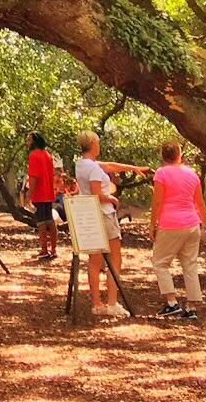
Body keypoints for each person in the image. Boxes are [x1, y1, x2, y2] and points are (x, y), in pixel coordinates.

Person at [74, 131, 138, 318]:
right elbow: (96, 193)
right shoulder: (93, 169)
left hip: (90, 217)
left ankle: (96, 303)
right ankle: (111, 301)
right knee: (114, 258)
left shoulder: (81, 164)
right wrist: (111, 198)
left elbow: (109, 166)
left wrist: (132, 168)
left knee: (94, 261)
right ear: (93, 143)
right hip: (104, 214)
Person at [149, 140, 206, 321]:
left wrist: (153, 224)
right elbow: (200, 201)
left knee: (160, 262)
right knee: (190, 264)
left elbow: (157, 201)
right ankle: (192, 306)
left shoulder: (161, 174)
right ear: (179, 155)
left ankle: (172, 302)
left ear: (163, 156)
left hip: (170, 223)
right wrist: (204, 222)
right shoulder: (191, 174)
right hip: (191, 223)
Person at [25, 133, 58, 261]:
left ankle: (44, 250)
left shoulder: (33, 156)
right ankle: (53, 249)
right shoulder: (48, 155)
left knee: (41, 223)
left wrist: (29, 194)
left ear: (34, 141)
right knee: (50, 220)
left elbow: (34, 177)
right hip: (49, 193)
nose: (27, 142)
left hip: (39, 194)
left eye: (29, 140)